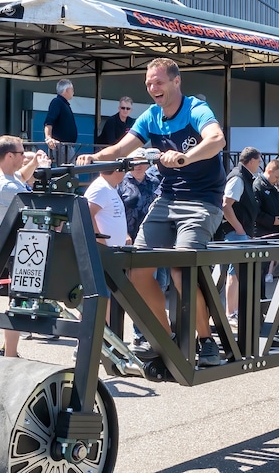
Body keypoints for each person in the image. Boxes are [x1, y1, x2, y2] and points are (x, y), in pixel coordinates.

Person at [77, 57, 226, 367]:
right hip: (167, 199)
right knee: (137, 270)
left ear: (176, 82)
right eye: (149, 84)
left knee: (180, 269)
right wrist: (93, 157)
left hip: (201, 201)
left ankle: (205, 340)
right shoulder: (151, 117)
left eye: (159, 82)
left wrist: (185, 157)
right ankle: (165, 336)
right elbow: (120, 149)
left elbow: (216, 139)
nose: (153, 88)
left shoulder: (195, 110)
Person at [0, 135, 50, 357]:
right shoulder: (5, 186)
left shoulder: (2, 177)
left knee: (20, 302)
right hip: (23, 253)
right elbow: (36, 199)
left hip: (24, 249)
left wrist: (33, 163)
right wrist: (42, 168)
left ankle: (8, 348)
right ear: (10, 156)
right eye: (22, 153)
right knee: (19, 304)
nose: (25, 157)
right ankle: (10, 353)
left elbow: (21, 178)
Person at [220, 148, 262, 324]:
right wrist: (239, 229)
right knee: (234, 274)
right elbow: (226, 205)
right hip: (235, 233)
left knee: (236, 274)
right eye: (259, 161)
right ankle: (231, 313)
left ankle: (235, 311)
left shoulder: (242, 176)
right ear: (251, 160)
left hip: (240, 232)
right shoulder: (238, 177)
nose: (259, 165)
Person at [43, 79, 78, 163]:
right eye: (72, 89)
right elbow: (49, 121)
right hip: (62, 146)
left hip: (68, 146)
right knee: (66, 172)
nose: (73, 92)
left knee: (70, 172)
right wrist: (48, 137)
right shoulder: (57, 102)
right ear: (67, 90)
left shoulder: (64, 104)